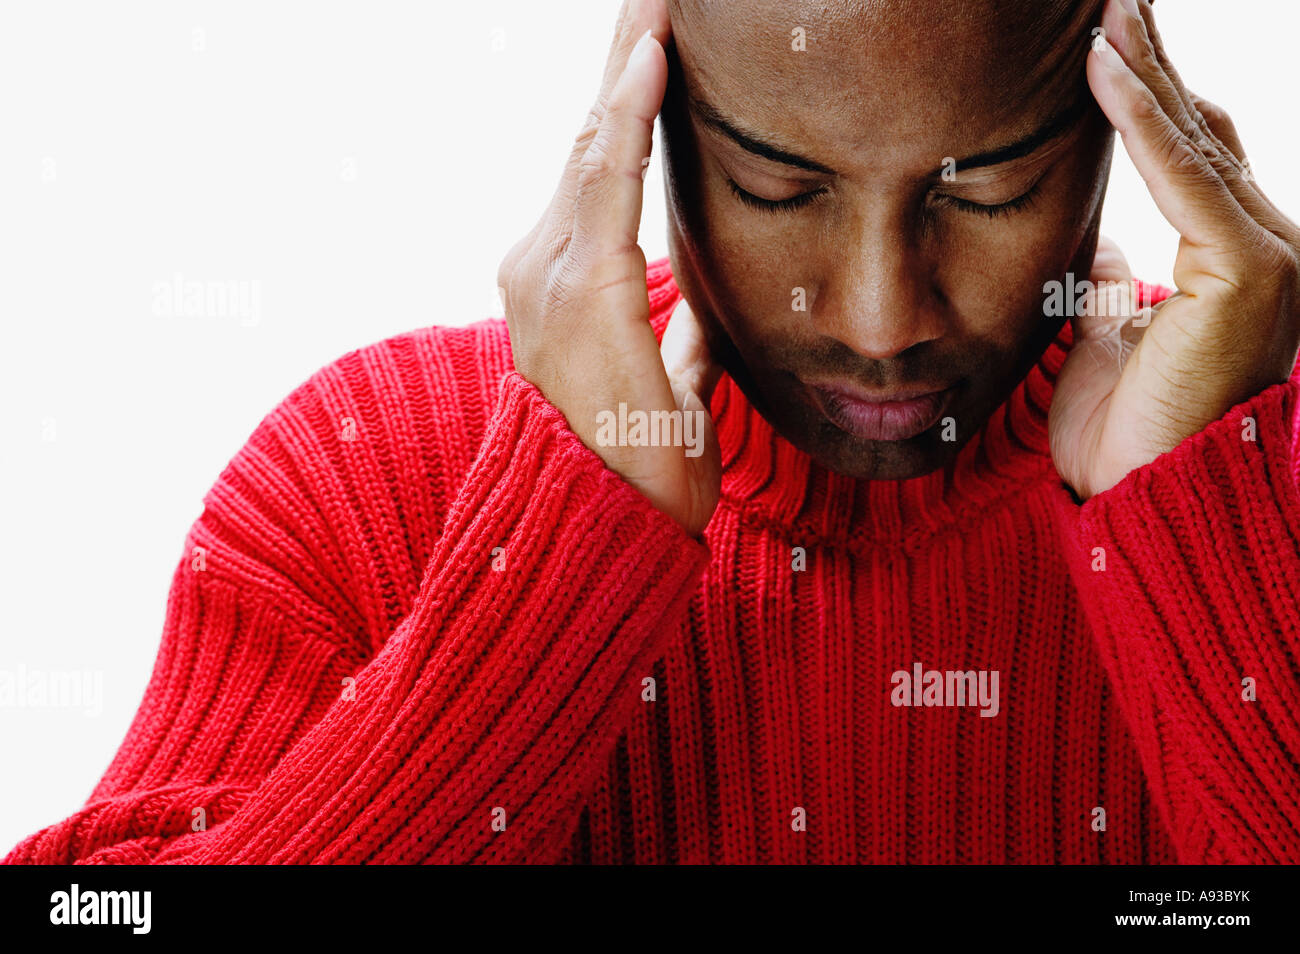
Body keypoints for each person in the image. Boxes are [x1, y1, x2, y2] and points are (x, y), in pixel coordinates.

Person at [5, 0, 1299, 864]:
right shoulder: (374, 472)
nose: (878, 315)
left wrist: (1219, 532)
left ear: (1133, 131)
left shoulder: (1263, 496)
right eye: (777, 188)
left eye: (995, 188)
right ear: (652, 119)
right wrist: (546, 574)